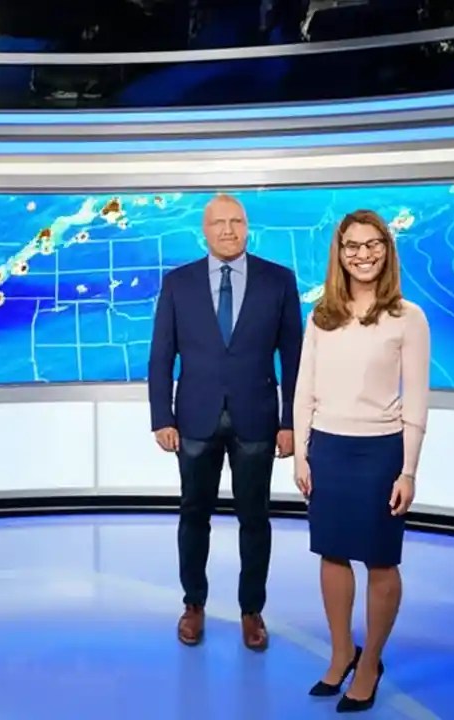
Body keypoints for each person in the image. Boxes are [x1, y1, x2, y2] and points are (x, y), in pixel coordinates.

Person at [148, 193, 303, 651]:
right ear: (205, 230)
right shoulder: (178, 283)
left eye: (237, 221)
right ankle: (193, 603)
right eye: (219, 222)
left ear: (248, 226)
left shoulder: (279, 281)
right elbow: (161, 356)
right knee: (194, 514)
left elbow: (294, 359)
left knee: (254, 518)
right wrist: (162, 415)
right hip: (194, 417)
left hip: (257, 418)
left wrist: (291, 420)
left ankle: (251, 610)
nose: (229, 230)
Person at [292, 209, 431, 713]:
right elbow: (304, 388)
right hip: (327, 448)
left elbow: (415, 399)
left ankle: (370, 661)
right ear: (340, 253)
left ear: (386, 251)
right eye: (352, 245)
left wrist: (408, 469)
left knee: (380, 560)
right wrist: (302, 455)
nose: (363, 254)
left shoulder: (407, 318)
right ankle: (340, 653)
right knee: (331, 553)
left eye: (373, 244)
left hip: (380, 452)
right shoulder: (321, 315)